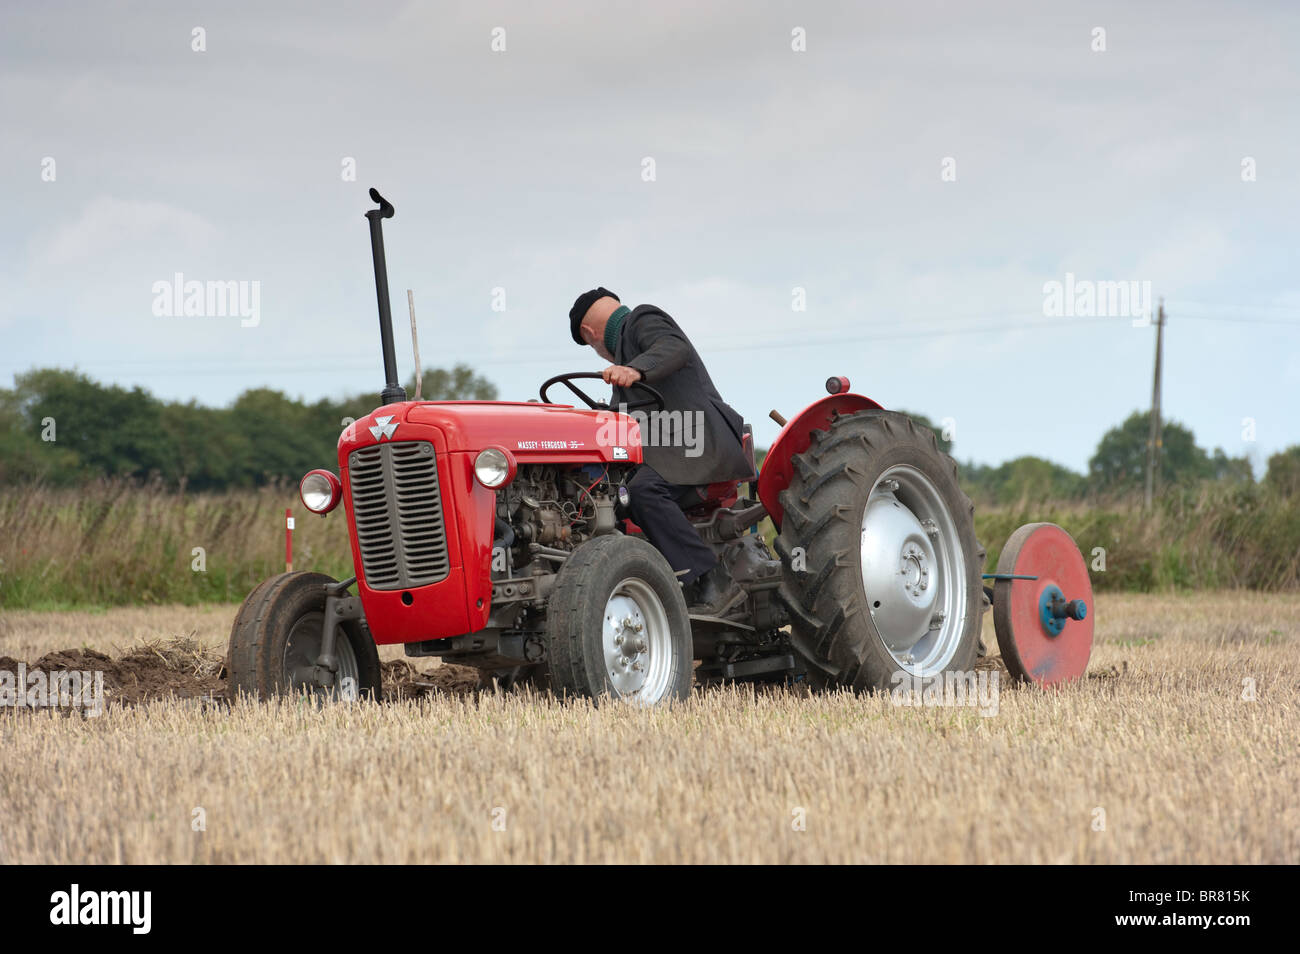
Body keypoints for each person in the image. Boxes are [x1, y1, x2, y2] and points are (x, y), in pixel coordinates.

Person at [569, 287, 751, 614]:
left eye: (593, 348)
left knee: (640, 491)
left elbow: (673, 347)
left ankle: (713, 579)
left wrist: (636, 369)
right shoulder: (626, 367)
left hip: (699, 444)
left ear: (589, 333)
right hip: (671, 454)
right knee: (607, 502)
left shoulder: (642, 319)